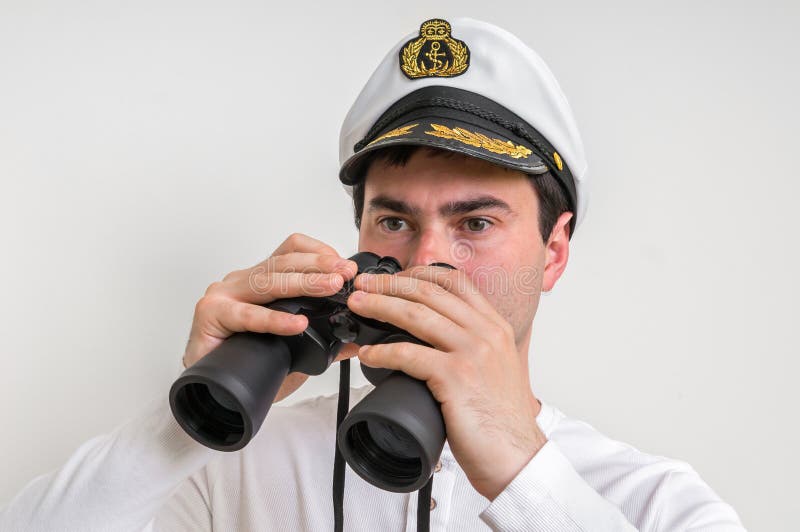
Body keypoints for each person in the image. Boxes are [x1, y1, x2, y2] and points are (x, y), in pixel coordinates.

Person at [0, 17, 745, 532]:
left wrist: (525, 471)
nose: (425, 263)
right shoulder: (240, 469)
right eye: (393, 222)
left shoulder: (652, 503)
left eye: (475, 224)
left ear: (554, 251)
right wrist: (196, 413)